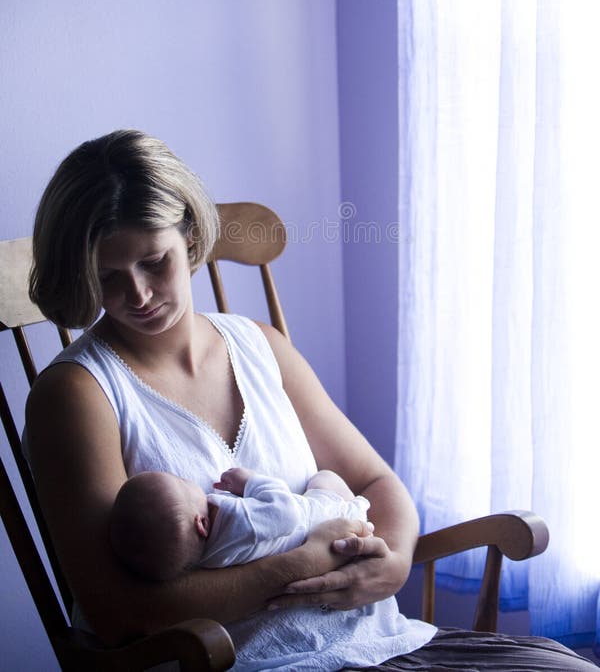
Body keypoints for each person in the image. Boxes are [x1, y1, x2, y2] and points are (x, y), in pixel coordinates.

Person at [25, 130, 595, 671]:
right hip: (237, 661)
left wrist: (393, 564)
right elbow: (118, 611)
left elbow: (374, 481)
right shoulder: (77, 396)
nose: (139, 295)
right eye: (110, 277)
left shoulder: (259, 347)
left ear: (191, 238)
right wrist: (303, 564)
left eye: (154, 262)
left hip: (378, 642)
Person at [109, 466, 372, 581]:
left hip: (320, 541)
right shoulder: (233, 520)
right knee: (324, 478)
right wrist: (250, 482)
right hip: (323, 516)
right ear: (201, 523)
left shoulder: (205, 559)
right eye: (184, 484)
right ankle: (360, 514)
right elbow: (285, 512)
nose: (190, 482)